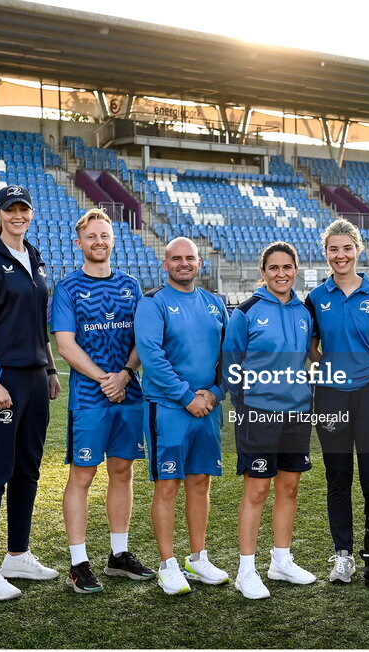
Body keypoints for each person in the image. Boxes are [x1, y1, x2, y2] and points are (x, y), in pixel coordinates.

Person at [0, 184, 62, 600]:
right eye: (11, 209)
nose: (18, 215)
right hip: (1, 380)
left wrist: (51, 366)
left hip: (36, 377)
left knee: (28, 469)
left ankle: (17, 554)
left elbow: (39, 320)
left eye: (24, 209)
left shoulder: (34, 256)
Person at [52, 208, 155, 594]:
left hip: (128, 394)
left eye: (104, 236)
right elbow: (65, 344)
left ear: (113, 241)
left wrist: (125, 375)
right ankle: (78, 562)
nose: (98, 242)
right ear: (79, 243)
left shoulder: (130, 286)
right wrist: (104, 379)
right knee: (83, 475)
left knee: (123, 472)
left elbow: (142, 342)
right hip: (89, 397)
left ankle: (118, 554)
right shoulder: (68, 288)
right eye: (91, 236)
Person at [303, 219, 369, 585]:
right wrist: (327, 367)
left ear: (358, 250)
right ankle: (342, 555)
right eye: (333, 249)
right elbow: (311, 344)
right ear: (325, 253)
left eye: (346, 248)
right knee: (338, 477)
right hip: (329, 393)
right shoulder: (316, 298)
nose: (340, 255)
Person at [134, 237, 230, 595]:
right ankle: (167, 563)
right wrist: (187, 397)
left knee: (200, 482)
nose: (183, 263)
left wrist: (217, 392)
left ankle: (197, 557)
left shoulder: (214, 303)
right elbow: (152, 357)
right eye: (176, 258)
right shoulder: (152, 302)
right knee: (168, 485)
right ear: (165, 264)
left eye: (189, 258)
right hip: (169, 408)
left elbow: (229, 355)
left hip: (207, 407)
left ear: (200, 262)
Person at [224, 242, 316, 599]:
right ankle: (246, 570)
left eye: (287, 267)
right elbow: (231, 364)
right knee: (258, 488)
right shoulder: (245, 312)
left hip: (297, 411)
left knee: (289, 488)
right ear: (262, 272)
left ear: (296, 270)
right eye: (273, 267)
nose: (281, 273)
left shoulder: (304, 312)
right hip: (258, 413)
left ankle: (281, 561)